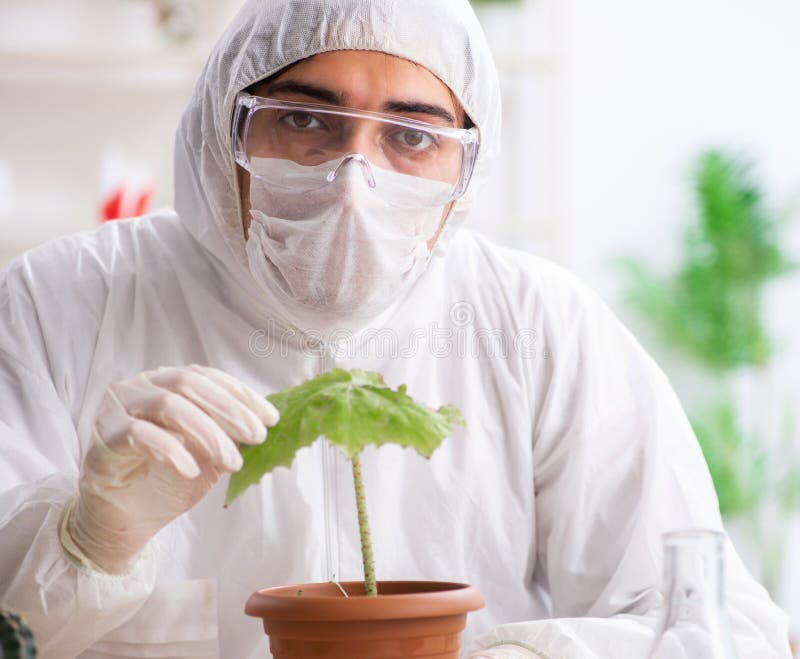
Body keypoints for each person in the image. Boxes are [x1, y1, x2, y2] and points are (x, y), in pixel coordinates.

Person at [0, 1, 791, 657]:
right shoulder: (63, 300)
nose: (354, 181)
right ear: (223, 130)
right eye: (306, 121)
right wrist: (86, 540)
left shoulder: (538, 325)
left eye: (412, 136)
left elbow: (708, 620)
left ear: (466, 171)